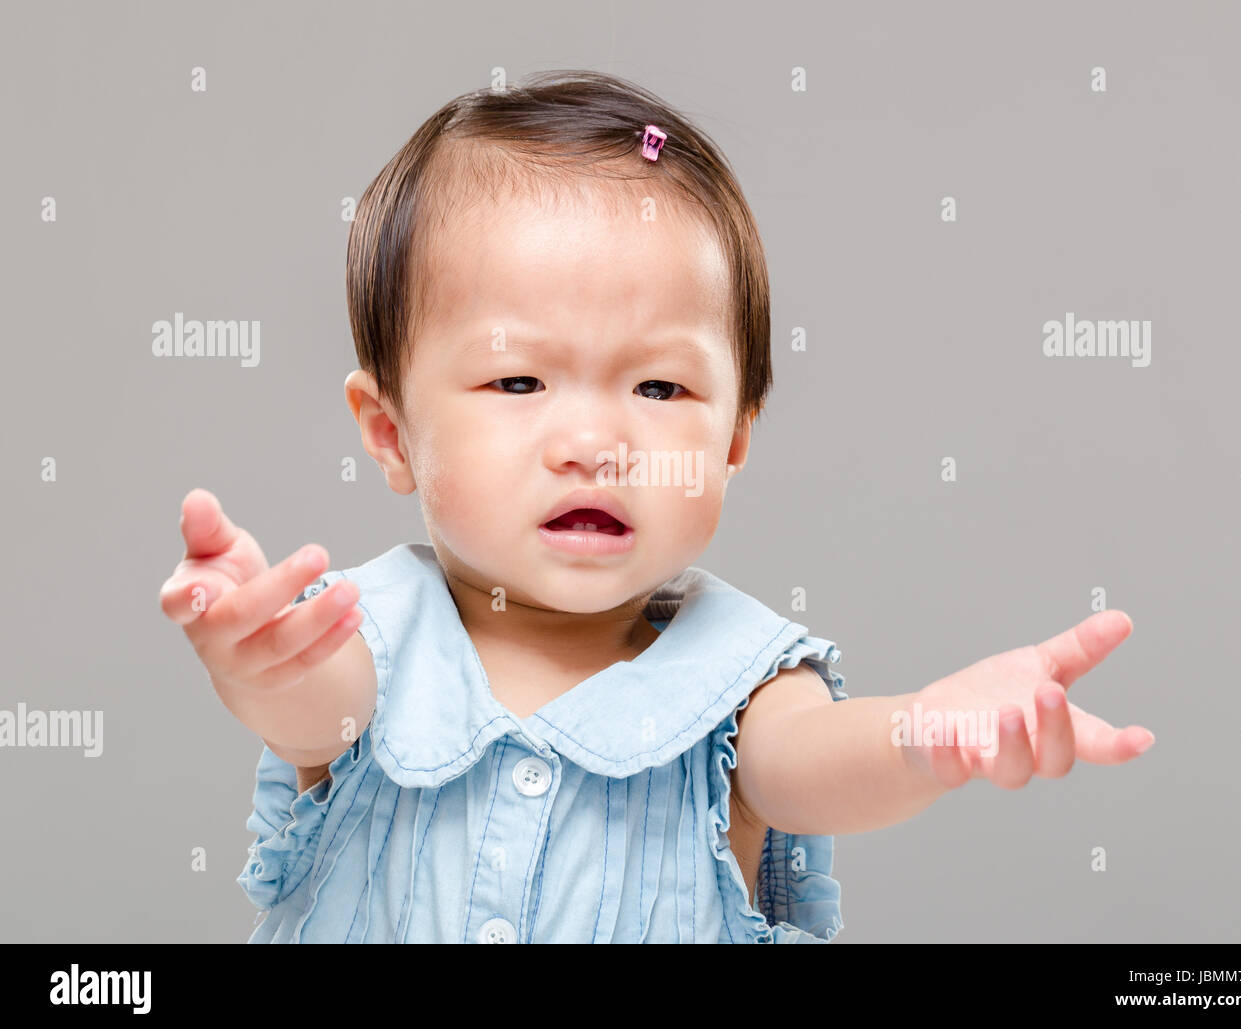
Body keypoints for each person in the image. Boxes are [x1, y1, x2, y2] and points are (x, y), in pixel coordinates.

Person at [158, 70, 1154, 943]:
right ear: (389, 431)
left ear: (731, 439)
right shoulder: (364, 642)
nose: (593, 443)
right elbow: (307, 705)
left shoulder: (741, 683)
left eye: (660, 389)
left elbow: (815, 764)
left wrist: (928, 730)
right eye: (517, 382)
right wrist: (254, 655)